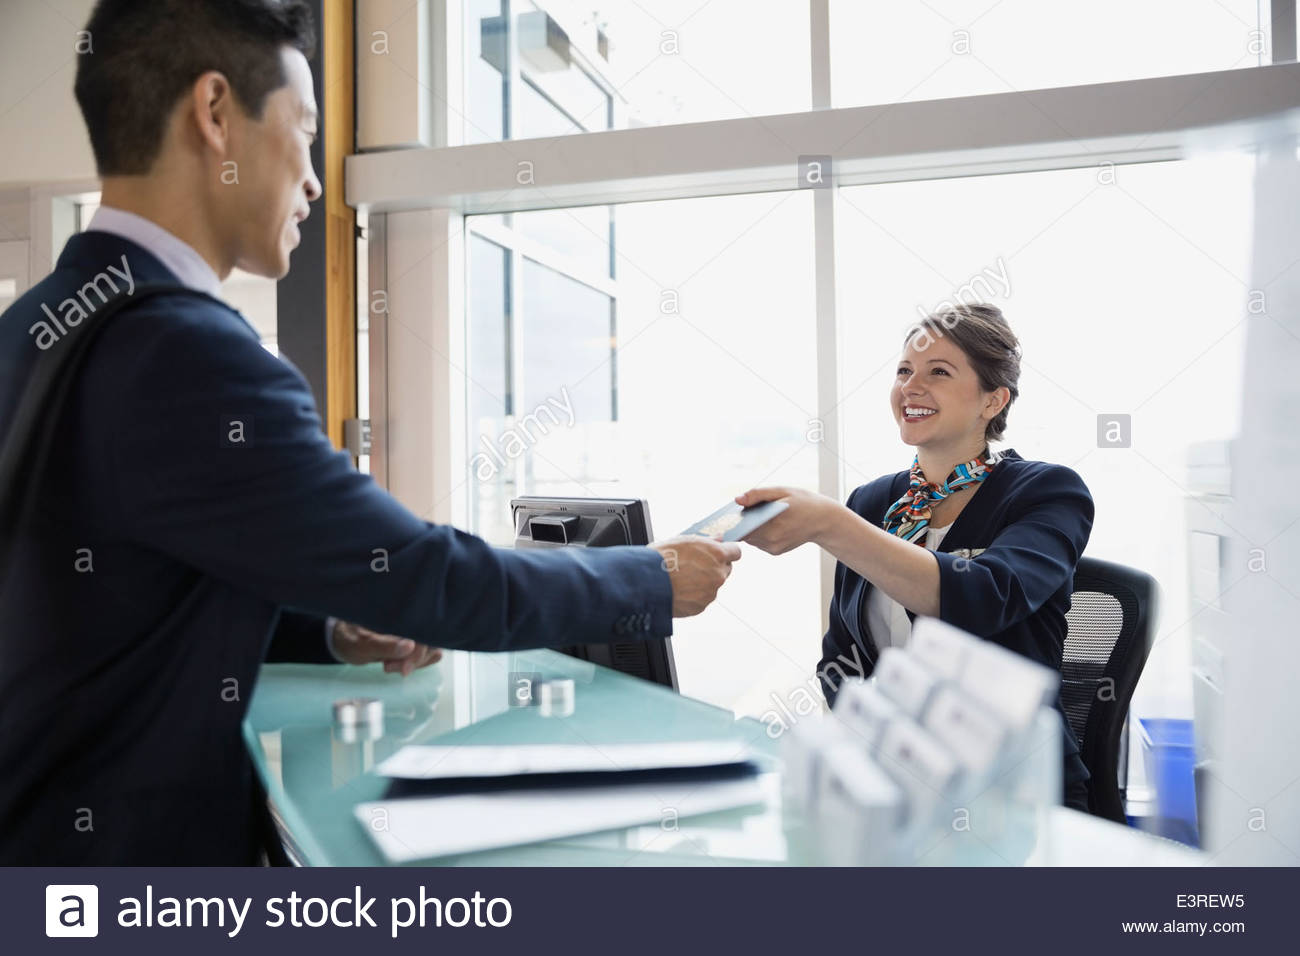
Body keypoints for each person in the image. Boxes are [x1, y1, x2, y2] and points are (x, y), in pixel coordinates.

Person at [0, 0, 739, 864]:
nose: (314, 180)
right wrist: (646, 581)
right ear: (214, 113)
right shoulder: (188, 353)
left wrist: (330, 632)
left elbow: (115, 599)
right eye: (305, 132)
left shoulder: (36, 327)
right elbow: (424, 573)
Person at [736, 304, 1093, 812]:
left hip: (1013, 792)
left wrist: (830, 525)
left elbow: (987, 597)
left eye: (938, 373)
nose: (910, 387)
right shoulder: (873, 503)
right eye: (904, 371)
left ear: (993, 400)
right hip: (896, 787)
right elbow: (841, 658)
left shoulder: (1047, 490)